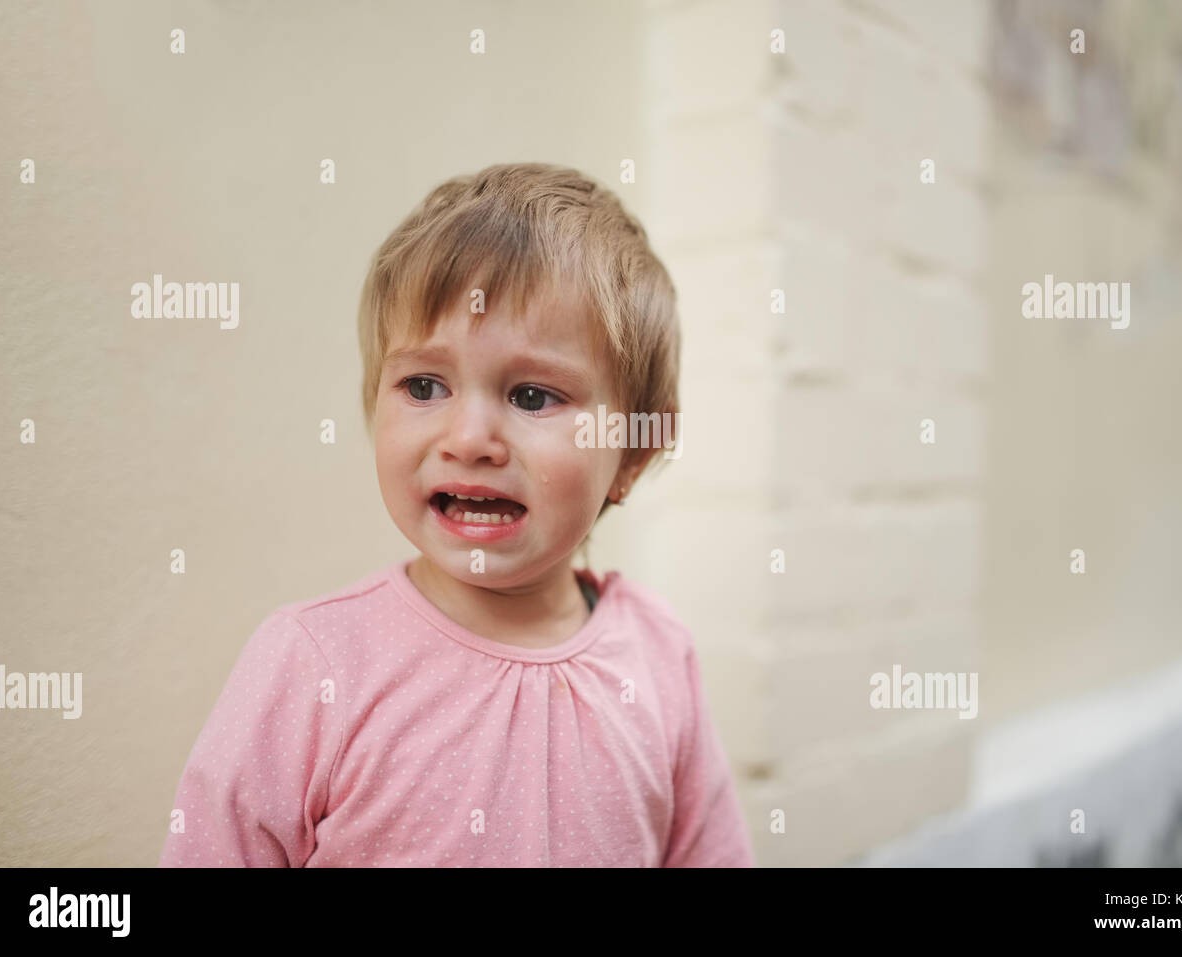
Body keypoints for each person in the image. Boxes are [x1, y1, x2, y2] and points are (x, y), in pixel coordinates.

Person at [158, 162, 753, 867]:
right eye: (424, 384)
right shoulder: (312, 662)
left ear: (630, 455)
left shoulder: (657, 657)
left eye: (533, 396)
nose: (469, 439)